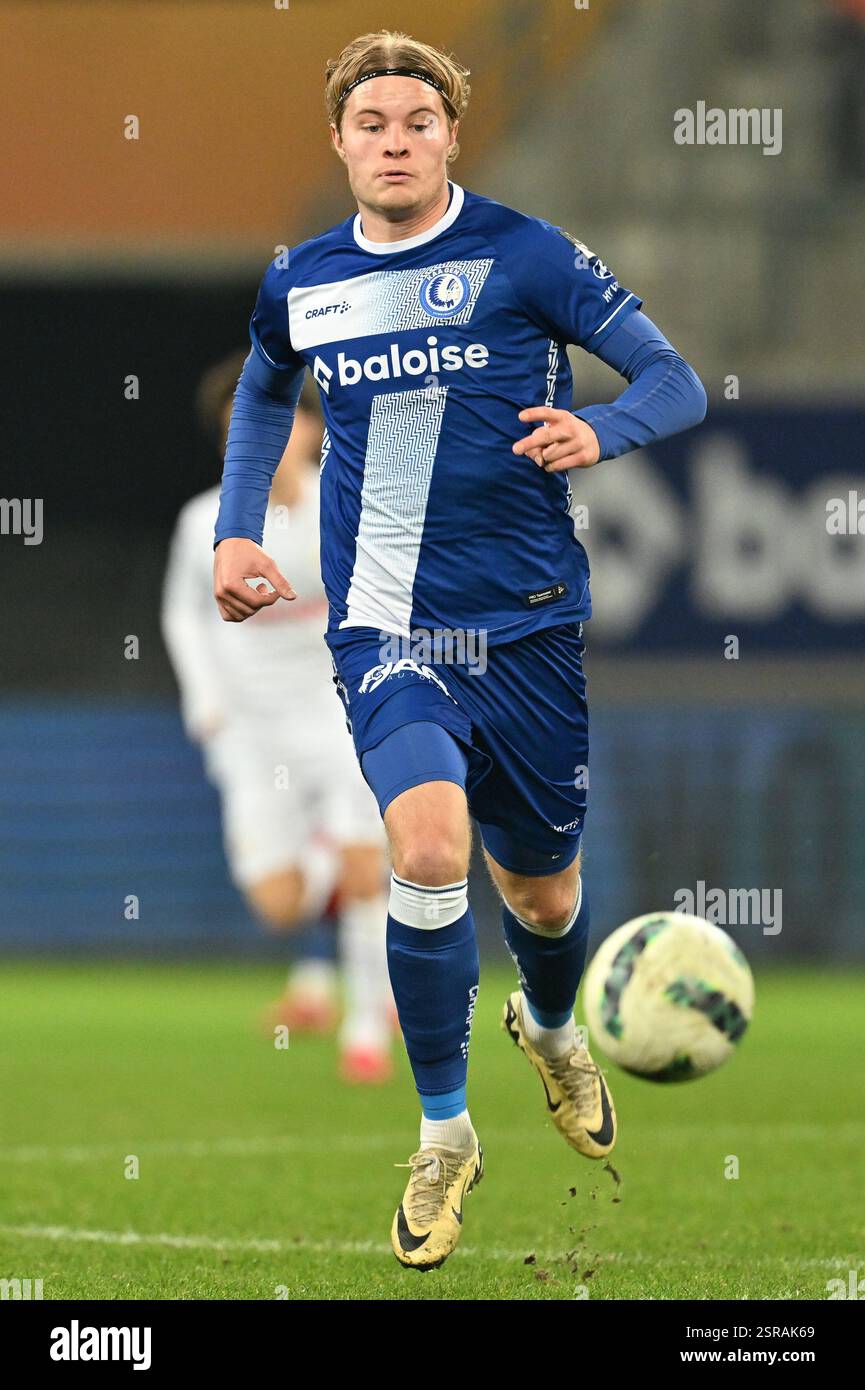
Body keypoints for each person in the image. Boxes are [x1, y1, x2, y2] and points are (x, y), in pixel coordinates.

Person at [212, 29, 707, 1270]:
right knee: (426, 847)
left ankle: (551, 1026)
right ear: (339, 140)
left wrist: (607, 430)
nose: (393, 141)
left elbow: (675, 378)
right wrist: (234, 532)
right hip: (385, 626)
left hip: (530, 622)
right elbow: (268, 389)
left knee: (541, 888)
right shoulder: (301, 280)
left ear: (448, 135)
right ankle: (444, 1133)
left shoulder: (524, 255)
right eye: (370, 122)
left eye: (417, 122)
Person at [163, 352, 395, 1083]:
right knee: (278, 902)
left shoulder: (344, 498)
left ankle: (367, 1026)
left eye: (280, 417)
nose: (263, 434)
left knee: (368, 871)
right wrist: (206, 702)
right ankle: (328, 853)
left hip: (336, 705)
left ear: (308, 427)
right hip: (252, 725)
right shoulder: (205, 519)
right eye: (244, 423)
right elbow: (185, 617)